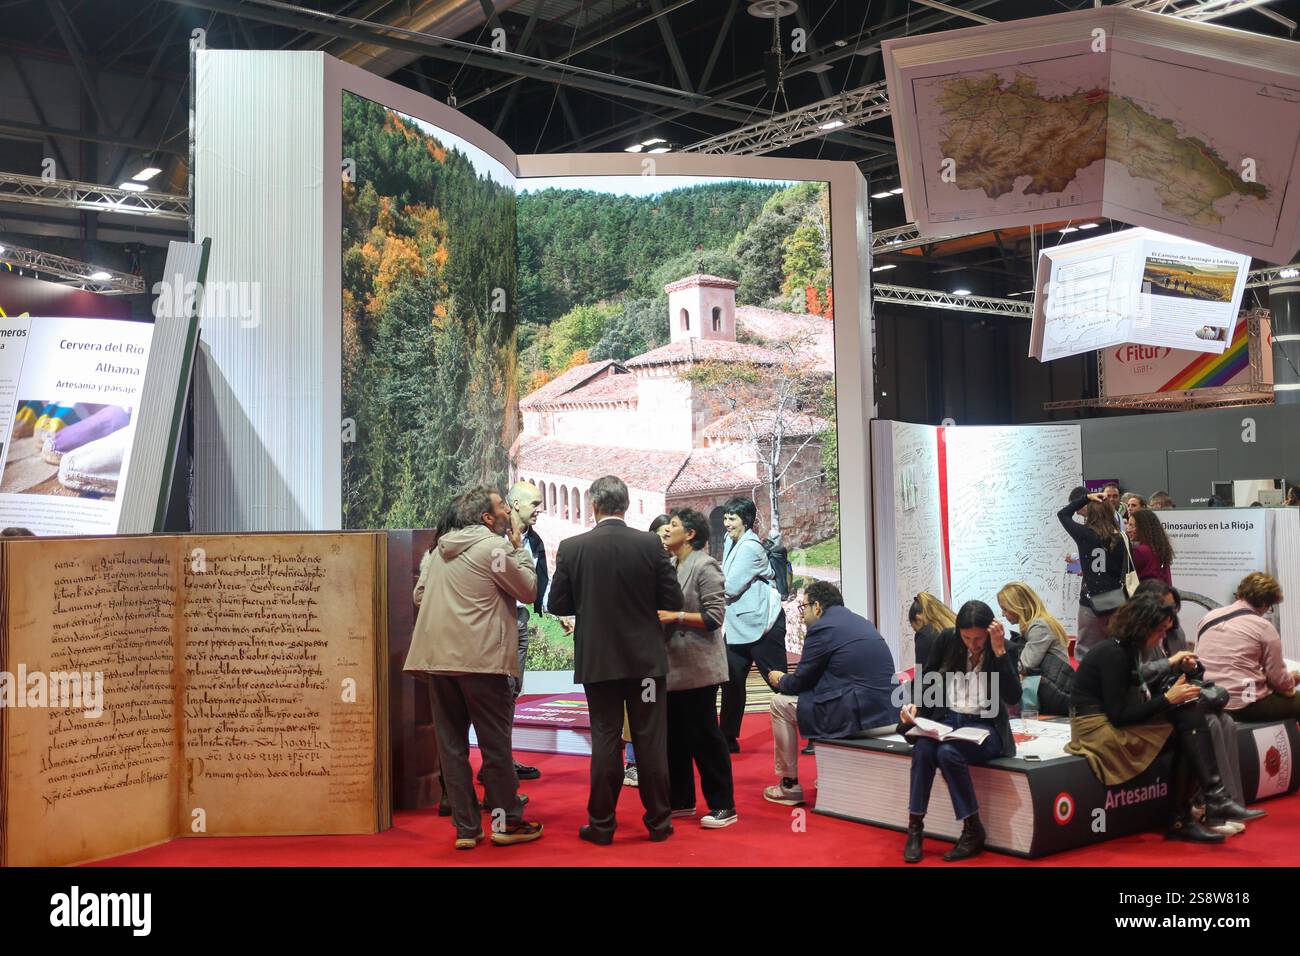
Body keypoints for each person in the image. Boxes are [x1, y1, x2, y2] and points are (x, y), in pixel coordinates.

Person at [548, 475, 684, 845]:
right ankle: (659, 823)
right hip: (645, 666)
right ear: (625, 505)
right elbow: (673, 602)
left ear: (593, 505)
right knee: (650, 741)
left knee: (606, 739)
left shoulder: (573, 547)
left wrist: (590, 601)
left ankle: (602, 824)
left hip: (599, 663)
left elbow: (556, 604)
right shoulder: (650, 545)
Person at [404, 487, 544, 849]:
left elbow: (420, 596)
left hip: (438, 661)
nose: (508, 511)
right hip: (481, 660)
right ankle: (506, 822)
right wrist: (516, 549)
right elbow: (528, 590)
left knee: (451, 747)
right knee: (496, 746)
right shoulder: (492, 548)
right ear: (486, 518)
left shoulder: (438, 552)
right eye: (502, 507)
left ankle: (467, 829)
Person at [1065, 596, 1263, 843]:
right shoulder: (1114, 653)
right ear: (1142, 626)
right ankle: (1200, 807)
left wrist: (1174, 693)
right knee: (1188, 721)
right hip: (1097, 732)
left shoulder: (1127, 649)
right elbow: (1119, 717)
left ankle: (1204, 804)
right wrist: (1168, 700)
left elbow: (1130, 706)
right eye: (1159, 631)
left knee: (1190, 715)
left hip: (1107, 723)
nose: (1161, 637)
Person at [900, 600, 1021, 863]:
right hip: (948, 720)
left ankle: (972, 828)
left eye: (979, 639)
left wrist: (999, 652)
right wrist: (916, 707)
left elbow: (1013, 696)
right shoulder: (947, 640)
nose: (973, 644)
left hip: (985, 727)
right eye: (967, 637)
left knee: (948, 753)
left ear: (990, 633)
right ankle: (915, 828)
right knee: (922, 748)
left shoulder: (1004, 648)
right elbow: (928, 679)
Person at [764, 581, 900, 807]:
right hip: (890, 714)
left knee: (779, 703)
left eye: (803, 607)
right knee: (819, 699)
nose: (802, 615)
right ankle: (831, 777)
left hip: (860, 716)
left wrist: (780, 679)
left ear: (817, 607)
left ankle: (789, 785)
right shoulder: (862, 622)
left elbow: (799, 681)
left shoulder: (822, 628)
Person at [1132, 580, 1245, 831]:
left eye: (1174, 608)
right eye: (1166, 608)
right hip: (1155, 705)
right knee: (1210, 722)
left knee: (1225, 721)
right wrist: (1172, 663)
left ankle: (1229, 803)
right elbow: (1136, 676)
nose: (1171, 616)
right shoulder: (1133, 638)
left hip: (1178, 699)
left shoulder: (1175, 633)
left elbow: (1188, 674)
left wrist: (1193, 667)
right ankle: (1209, 806)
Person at [656, 507, 736, 827]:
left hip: (700, 667)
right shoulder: (672, 564)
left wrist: (674, 617)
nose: (666, 531)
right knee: (674, 735)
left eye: (672, 525)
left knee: (704, 735)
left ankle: (723, 805)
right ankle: (681, 800)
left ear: (690, 534)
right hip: (673, 666)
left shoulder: (705, 565)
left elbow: (714, 617)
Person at [718, 496, 788, 753]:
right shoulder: (730, 541)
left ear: (745, 521)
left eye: (732, 518)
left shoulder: (749, 547)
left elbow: (730, 586)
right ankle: (727, 737)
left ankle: (816, 731)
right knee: (731, 681)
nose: (727, 523)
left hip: (762, 626)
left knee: (779, 682)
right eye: (725, 517)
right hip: (739, 625)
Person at [1197, 572, 1300, 722]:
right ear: (1265, 603)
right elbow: (1278, 680)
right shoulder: (1264, 627)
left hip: (1207, 699)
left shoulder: (1209, 617)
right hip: (1243, 705)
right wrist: (1292, 679)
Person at [623, 516, 673, 789]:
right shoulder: (639, 565)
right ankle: (632, 763)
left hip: (670, 649)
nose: (666, 542)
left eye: (670, 535)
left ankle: (657, 761)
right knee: (638, 705)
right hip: (642, 649)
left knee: (658, 708)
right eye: (662, 535)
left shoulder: (675, 565)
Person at [503, 480, 547, 781]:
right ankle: (499, 765)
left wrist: (556, 615)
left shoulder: (535, 540)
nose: (539, 509)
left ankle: (504, 759)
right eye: (534, 503)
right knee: (499, 692)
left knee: (513, 691)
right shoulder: (494, 540)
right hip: (497, 621)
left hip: (520, 619)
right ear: (516, 504)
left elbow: (539, 583)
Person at [1057, 491, 1128, 660]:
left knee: (1085, 650)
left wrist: (1086, 497)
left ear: (1090, 513)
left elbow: (1063, 514)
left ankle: (1087, 683)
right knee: (1116, 647)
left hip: (1090, 601)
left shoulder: (1084, 534)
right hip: (1116, 599)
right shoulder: (1121, 538)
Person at [996, 582, 1072, 716]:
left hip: (1057, 691)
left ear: (1018, 606)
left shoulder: (1040, 626)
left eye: (1005, 609)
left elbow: (1024, 665)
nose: (1003, 613)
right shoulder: (1040, 624)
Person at [1126, 508, 1173, 585]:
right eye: (1128, 525)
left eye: (1132, 526)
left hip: (1146, 594)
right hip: (1162, 594)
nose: (1128, 530)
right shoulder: (1160, 548)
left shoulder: (1140, 551)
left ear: (1143, 528)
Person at [908, 592, 955, 668]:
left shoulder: (925, 635)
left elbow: (922, 677)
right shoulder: (955, 630)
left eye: (916, 629)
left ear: (919, 618)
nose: (918, 632)